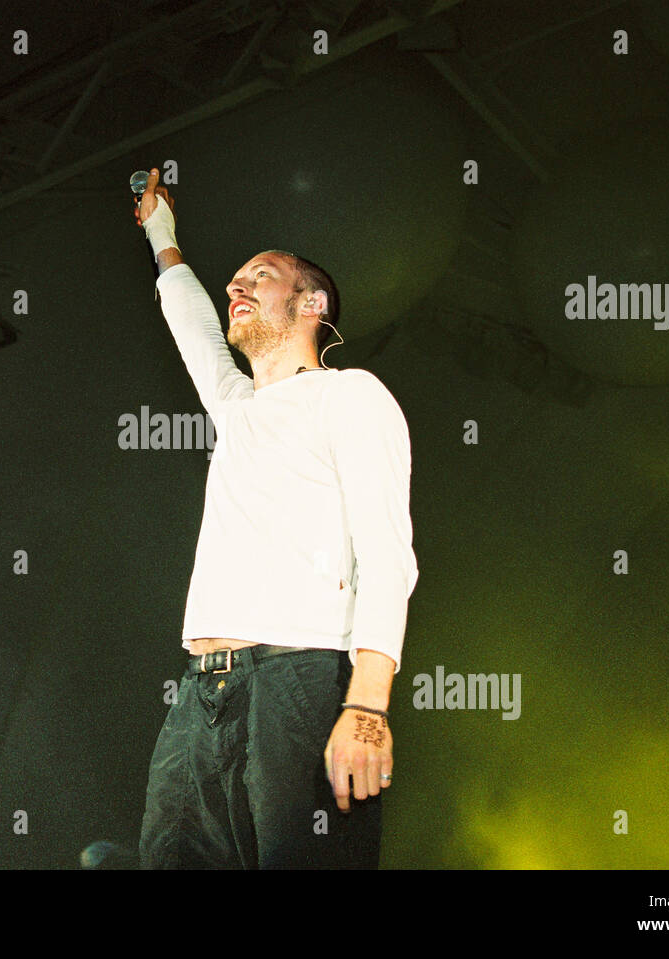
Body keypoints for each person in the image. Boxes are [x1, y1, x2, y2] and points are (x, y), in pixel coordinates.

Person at [133, 169, 419, 868]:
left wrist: (368, 707)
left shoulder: (350, 396)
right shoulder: (236, 409)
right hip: (201, 692)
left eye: (258, 277)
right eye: (234, 280)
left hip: (299, 683)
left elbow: (389, 556)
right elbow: (191, 321)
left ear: (312, 303)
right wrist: (159, 230)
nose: (237, 287)